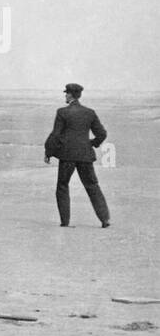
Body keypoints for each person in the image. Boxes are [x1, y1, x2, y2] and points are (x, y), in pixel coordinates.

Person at [43, 83, 110, 228]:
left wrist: (48, 151)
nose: (65, 96)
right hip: (85, 155)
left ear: (70, 95)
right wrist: (91, 143)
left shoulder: (62, 112)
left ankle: (65, 222)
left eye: (66, 93)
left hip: (67, 156)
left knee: (62, 186)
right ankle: (105, 219)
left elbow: (55, 135)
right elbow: (102, 134)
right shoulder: (90, 113)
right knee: (92, 186)